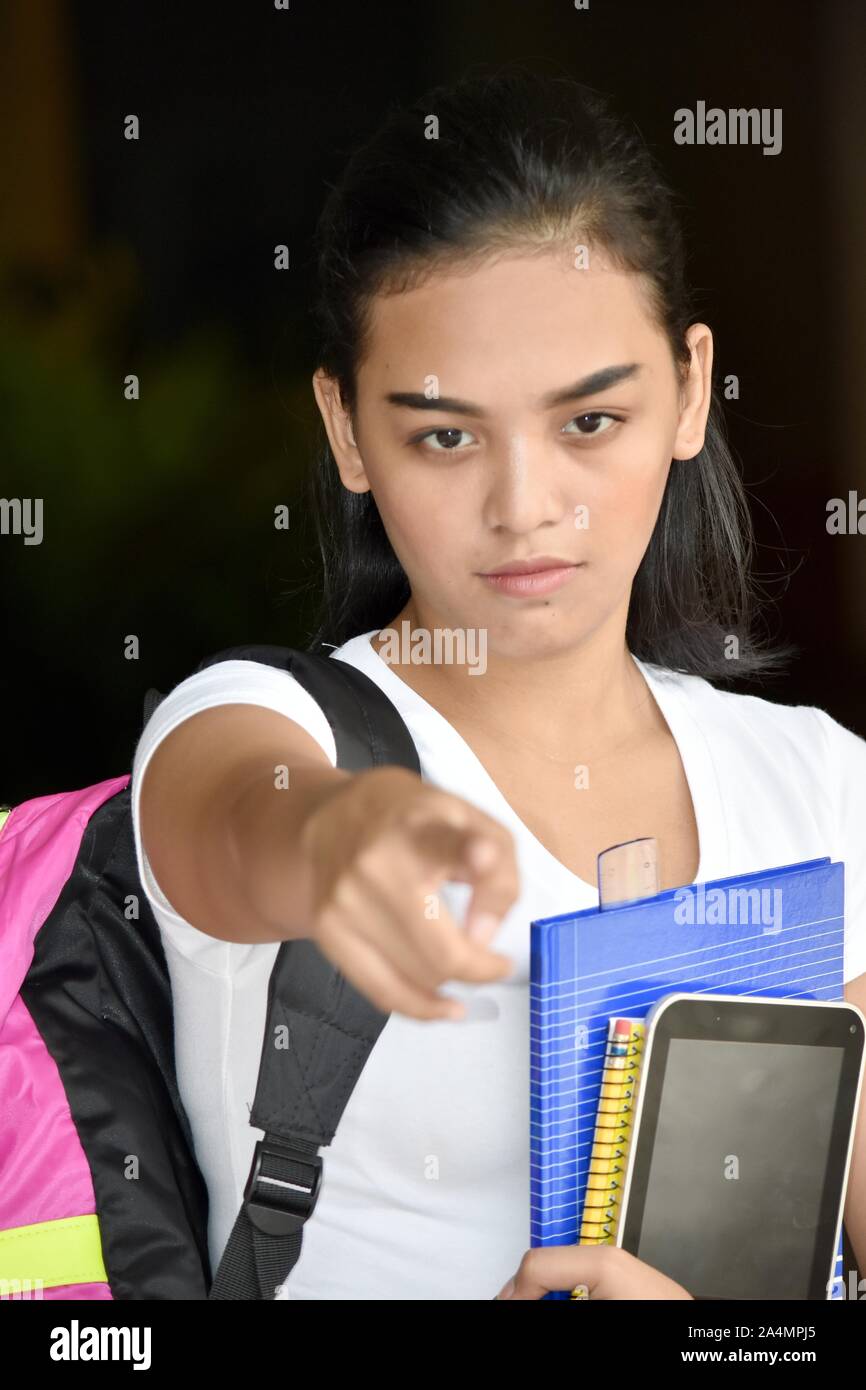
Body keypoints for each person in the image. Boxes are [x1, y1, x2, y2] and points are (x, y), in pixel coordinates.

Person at [133, 66, 866, 1300]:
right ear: (346, 431)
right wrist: (336, 833)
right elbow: (239, 814)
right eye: (443, 434)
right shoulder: (266, 727)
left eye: (588, 422)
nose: (524, 507)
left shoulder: (823, 782)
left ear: (688, 389)